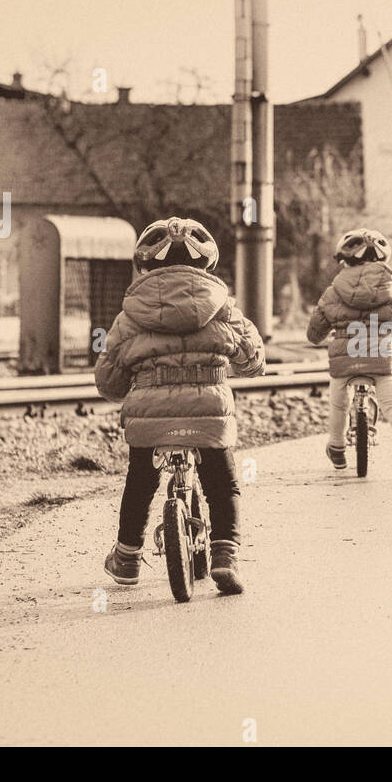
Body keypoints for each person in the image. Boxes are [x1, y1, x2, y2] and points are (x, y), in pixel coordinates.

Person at [95, 217, 265, 594]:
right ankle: (225, 555)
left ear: (145, 263)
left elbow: (108, 380)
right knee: (223, 486)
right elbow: (253, 357)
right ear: (206, 264)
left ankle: (127, 559)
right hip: (209, 414)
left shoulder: (129, 315)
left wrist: (125, 386)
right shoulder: (224, 307)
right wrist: (246, 362)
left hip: (150, 418)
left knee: (140, 483)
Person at [307, 228, 392, 477]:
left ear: (344, 259)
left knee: (338, 404)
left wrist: (320, 335)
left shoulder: (332, 292)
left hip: (344, 360)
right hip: (380, 356)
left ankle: (337, 447)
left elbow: (314, 334)